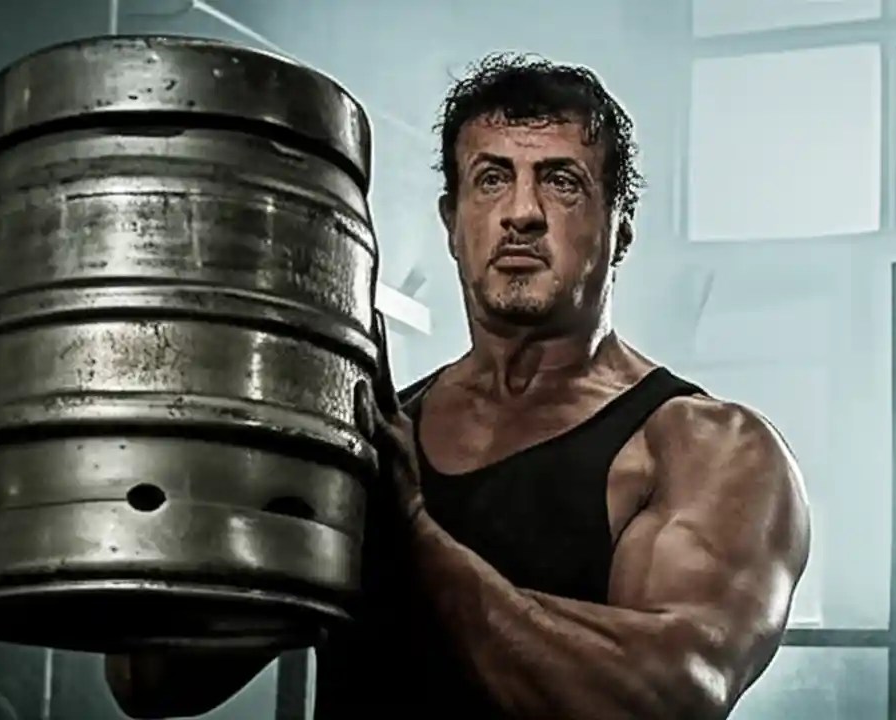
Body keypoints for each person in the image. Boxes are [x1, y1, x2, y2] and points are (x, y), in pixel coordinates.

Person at [106, 52, 811, 720]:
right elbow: (154, 685)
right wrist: (187, 466)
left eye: (561, 181)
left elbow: (667, 696)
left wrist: (410, 530)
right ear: (453, 222)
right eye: (492, 178)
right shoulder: (374, 431)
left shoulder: (705, 447)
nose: (521, 212)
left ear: (619, 228)